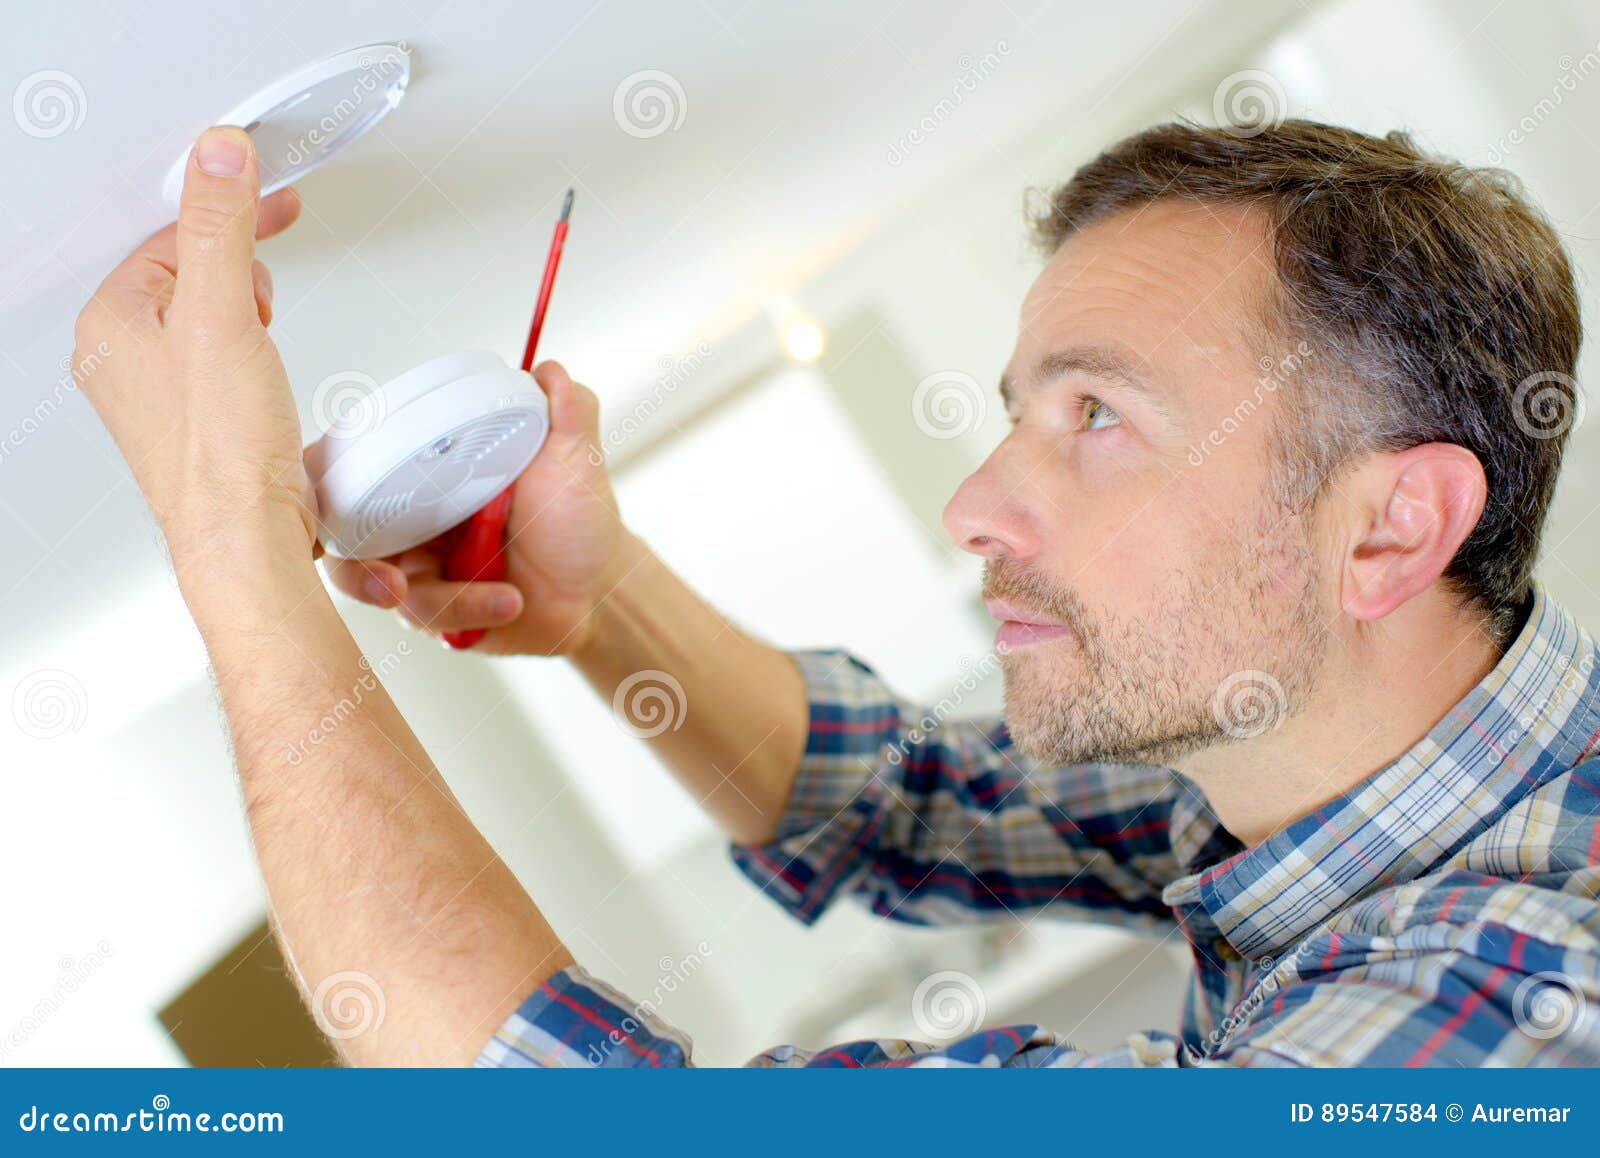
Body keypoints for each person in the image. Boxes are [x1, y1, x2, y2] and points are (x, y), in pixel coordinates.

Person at [74, 119, 1600, 1067]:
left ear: (1391, 527)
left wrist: (229, 538)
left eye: (1099, 418)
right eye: (1020, 411)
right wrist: (602, 610)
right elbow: (912, 800)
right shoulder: (1326, 760)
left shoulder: (1525, 1001)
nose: (976, 505)